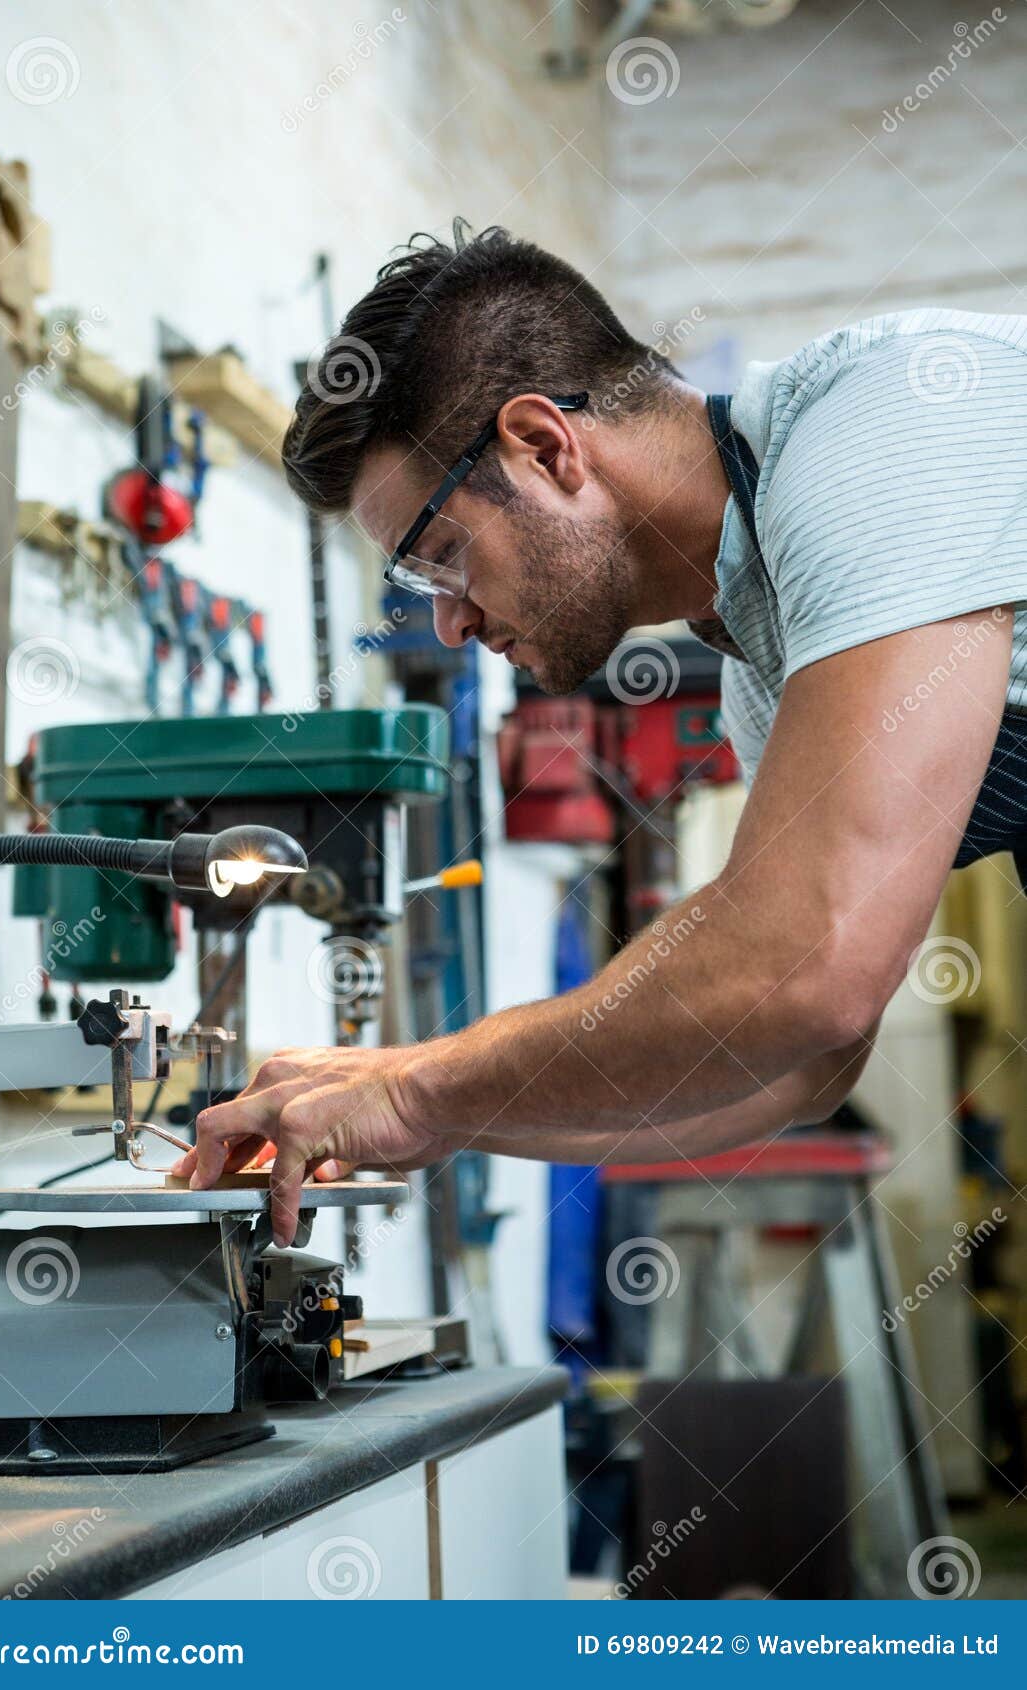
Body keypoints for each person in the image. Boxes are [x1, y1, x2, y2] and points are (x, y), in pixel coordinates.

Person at [173, 221, 1027, 1248]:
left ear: (544, 447)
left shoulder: (885, 419)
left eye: (439, 557)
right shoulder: (764, 668)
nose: (447, 623)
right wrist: (441, 1112)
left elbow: (807, 967)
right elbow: (793, 1063)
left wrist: (417, 1083)